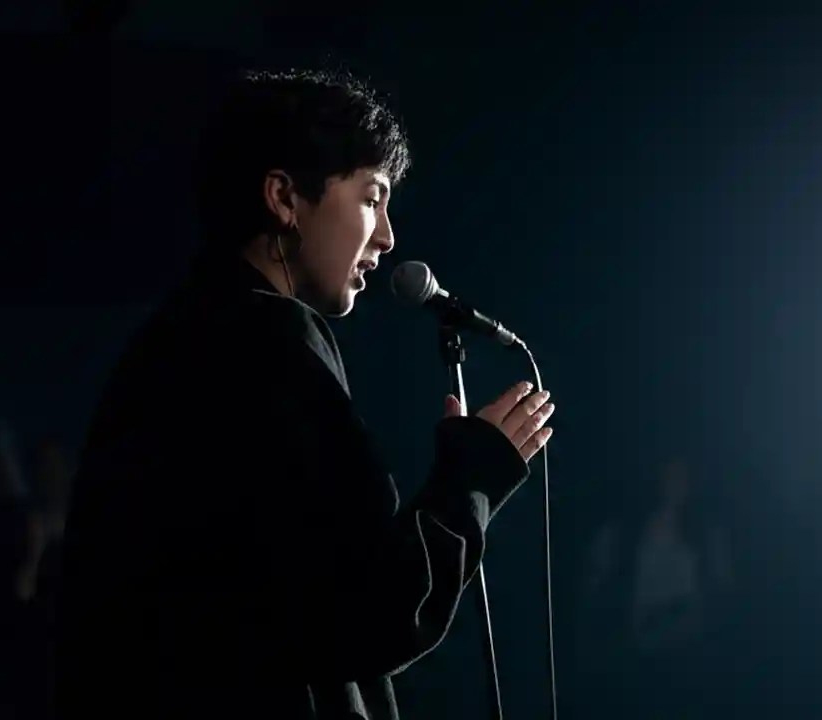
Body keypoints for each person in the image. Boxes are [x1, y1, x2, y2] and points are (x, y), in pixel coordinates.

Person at [54, 69, 556, 719]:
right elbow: (365, 612)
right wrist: (472, 480)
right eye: (372, 197)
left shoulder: (176, 340)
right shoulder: (270, 338)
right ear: (284, 197)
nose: (387, 236)